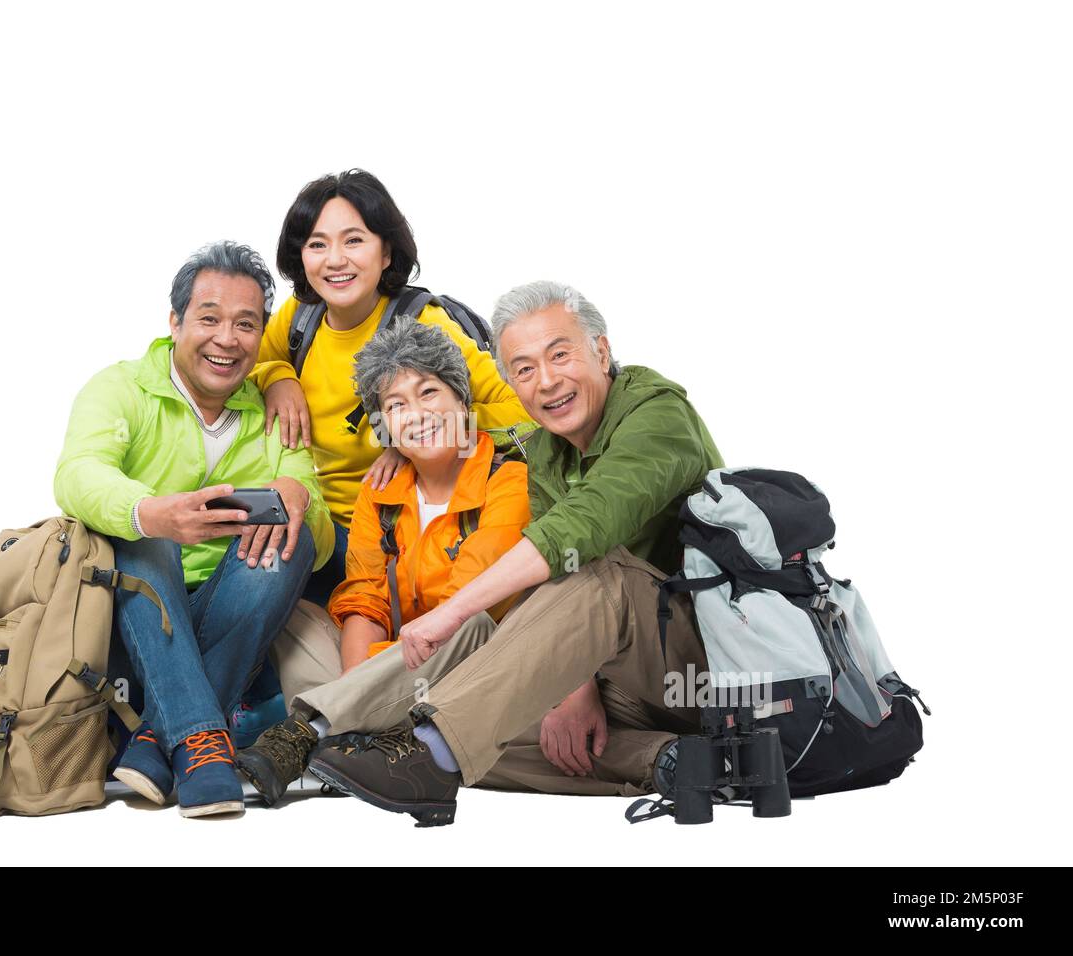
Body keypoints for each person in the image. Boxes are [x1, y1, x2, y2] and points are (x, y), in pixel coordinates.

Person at [233, 280, 724, 825]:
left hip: (683, 667)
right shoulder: (541, 449)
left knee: (500, 636)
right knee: (466, 728)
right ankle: (662, 760)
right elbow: (366, 596)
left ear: (602, 351)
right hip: (574, 677)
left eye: (560, 355)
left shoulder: (653, 416)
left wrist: (454, 624)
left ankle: (329, 734)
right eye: (525, 369)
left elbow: (578, 535)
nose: (547, 380)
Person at [53, 241, 334, 818]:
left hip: (234, 614)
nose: (227, 339)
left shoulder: (276, 415)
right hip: (130, 626)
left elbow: (323, 543)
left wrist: (301, 496)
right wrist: (153, 513)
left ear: (261, 336)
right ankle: (203, 741)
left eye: (246, 324)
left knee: (291, 537)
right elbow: (77, 476)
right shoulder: (123, 388)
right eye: (209, 318)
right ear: (176, 321)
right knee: (140, 534)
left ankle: (165, 739)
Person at [236, 321, 532, 804]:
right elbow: (366, 599)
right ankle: (359, 740)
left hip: (466, 668)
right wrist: (363, 685)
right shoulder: (380, 492)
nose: (417, 415)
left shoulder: (507, 479)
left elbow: (462, 605)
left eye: (429, 392)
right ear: (384, 426)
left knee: (469, 622)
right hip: (396, 667)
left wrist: (363, 683)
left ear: (462, 401)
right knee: (293, 614)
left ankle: (307, 735)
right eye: (396, 405)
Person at [248, 169, 532, 607]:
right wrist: (277, 377)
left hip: (394, 539)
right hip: (315, 525)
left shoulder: (423, 324)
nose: (335, 260)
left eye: (354, 240)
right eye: (317, 244)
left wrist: (413, 434)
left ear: (386, 252)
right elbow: (242, 361)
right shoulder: (299, 316)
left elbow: (523, 412)